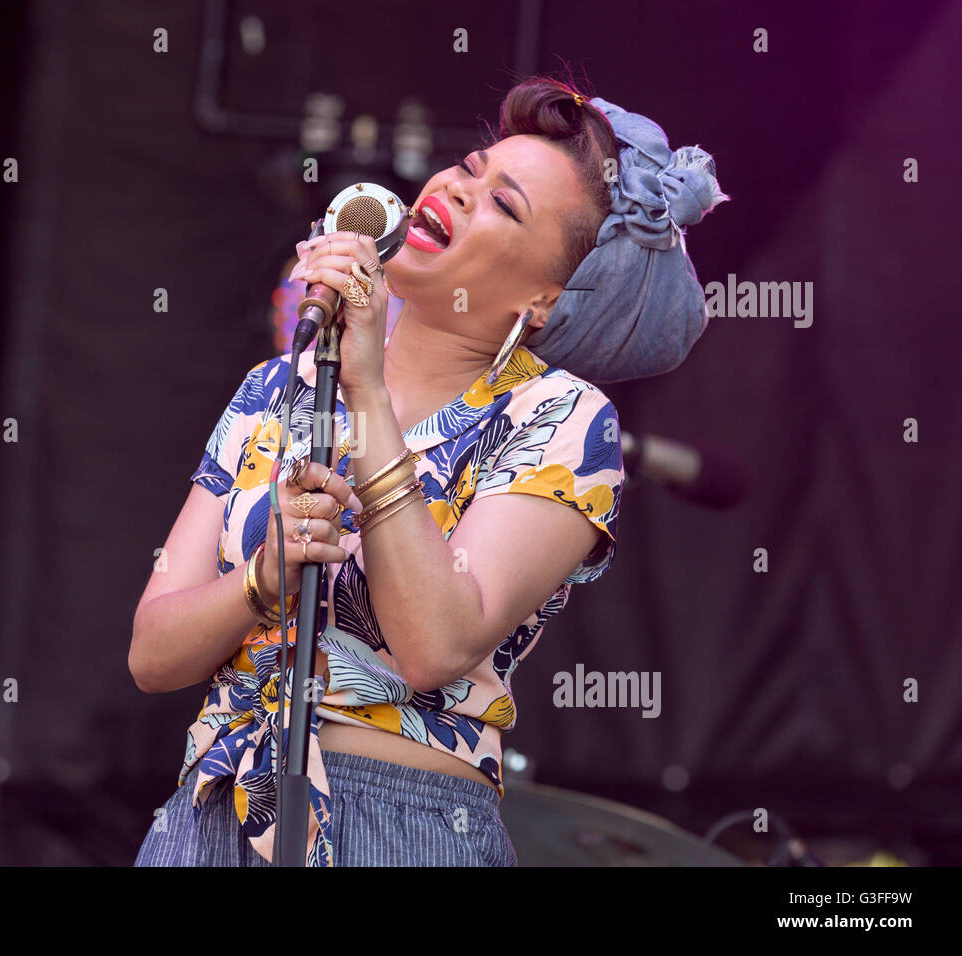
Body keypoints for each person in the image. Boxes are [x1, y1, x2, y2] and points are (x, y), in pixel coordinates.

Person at [128, 75, 728, 866]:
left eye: (504, 205)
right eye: (472, 168)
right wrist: (257, 585)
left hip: (403, 826)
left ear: (550, 298)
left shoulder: (561, 419)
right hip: (212, 816)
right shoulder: (277, 387)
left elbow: (434, 644)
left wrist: (369, 389)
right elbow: (151, 653)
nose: (457, 189)